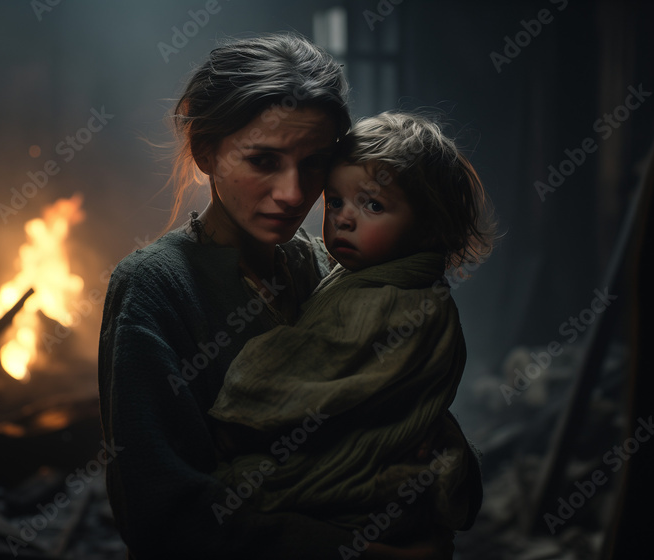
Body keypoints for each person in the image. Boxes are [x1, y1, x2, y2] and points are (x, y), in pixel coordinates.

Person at [98, 34, 477, 559]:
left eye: (315, 163)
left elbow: (400, 414)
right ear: (207, 152)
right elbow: (163, 515)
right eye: (264, 161)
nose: (294, 194)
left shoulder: (329, 266)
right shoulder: (156, 288)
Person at [208, 111, 494, 549]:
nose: (343, 219)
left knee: (239, 487)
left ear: (428, 226)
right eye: (336, 201)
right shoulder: (371, 276)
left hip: (357, 495)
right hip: (381, 508)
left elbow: (298, 373)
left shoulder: (387, 301)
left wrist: (237, 418)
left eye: (373, 205)